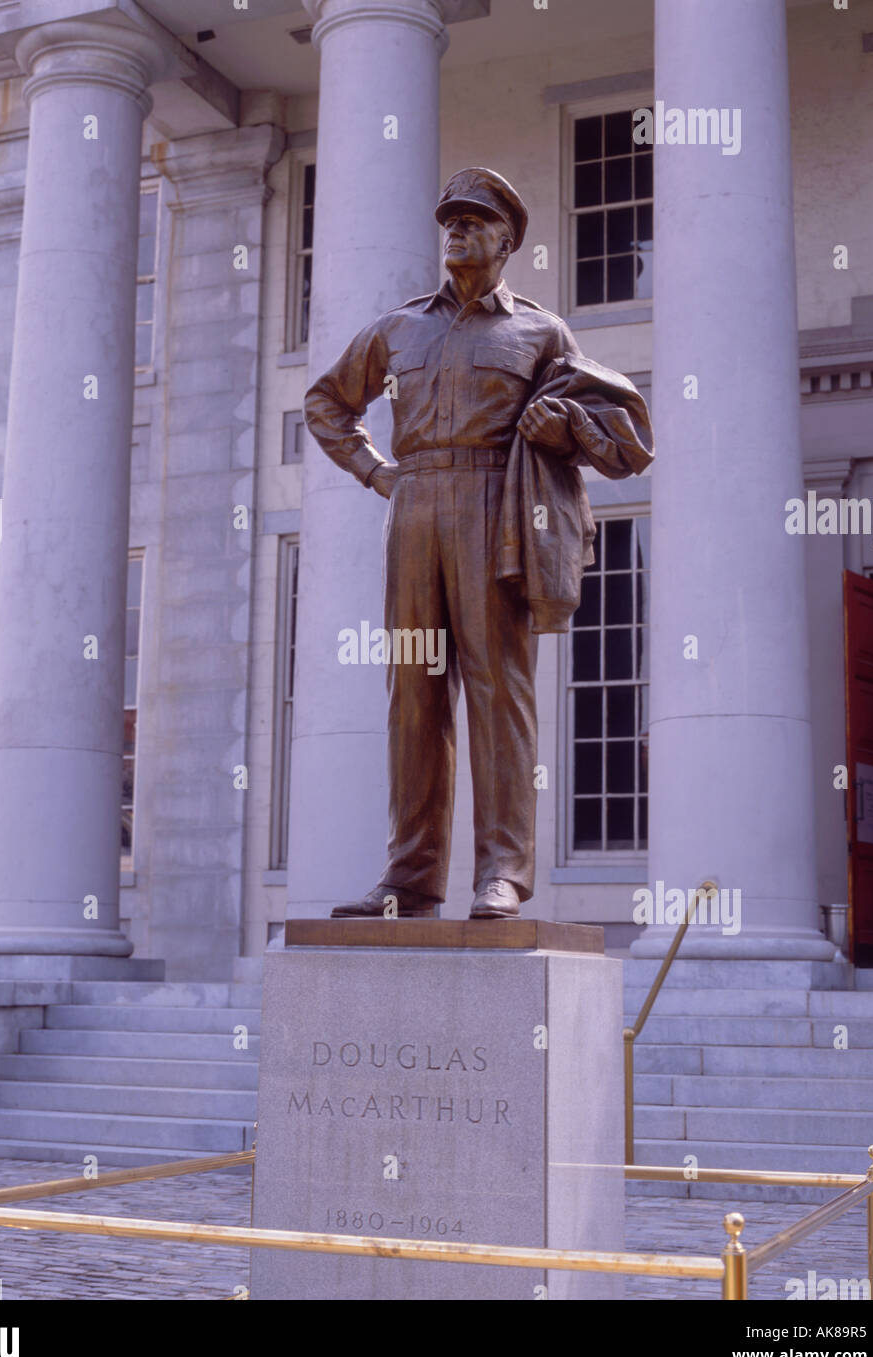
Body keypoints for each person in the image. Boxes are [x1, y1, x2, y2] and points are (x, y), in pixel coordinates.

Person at [304, 167, 650, 919]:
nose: (456, 230)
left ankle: (502, 873)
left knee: (500, 693)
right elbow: (327, 402)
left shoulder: (541, 332)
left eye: (473, 220)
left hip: (499, 510)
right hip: (415, 508)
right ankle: (408, 878)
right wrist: (375, 472)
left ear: (505, 240)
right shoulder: (397, 329)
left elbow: (607, 435)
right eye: (450, 221)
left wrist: (559, 426)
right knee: (413, 694)